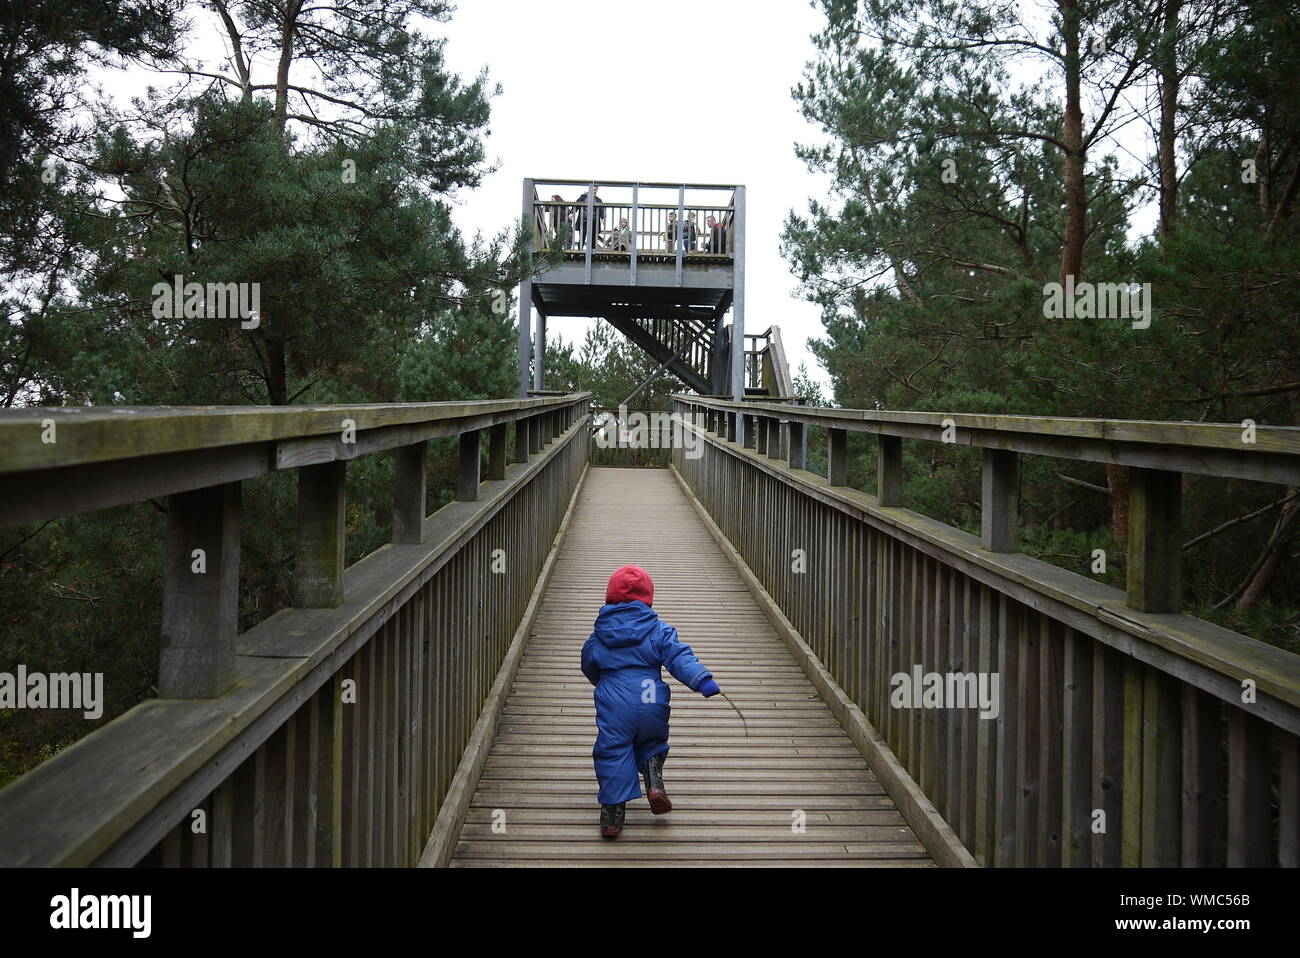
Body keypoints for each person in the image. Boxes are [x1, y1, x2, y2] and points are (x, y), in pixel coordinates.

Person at [581, 564, 720, 838]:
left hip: (615, 700)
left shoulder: (599, 635)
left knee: (613, 750)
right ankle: (654, 779)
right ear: (647, 598)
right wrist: (702, 679)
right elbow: (679, 657)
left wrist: (603, 682)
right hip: (651, 697)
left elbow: (588, 664)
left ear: (609, 598)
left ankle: (613, 814)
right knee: (652, 741)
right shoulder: (658, 630)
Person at [573, 184, 604, 249]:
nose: (594, 191)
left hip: (594, 221)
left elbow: (601, 211)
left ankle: (592, 252)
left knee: (593, 238)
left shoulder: (598, 200)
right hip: (583, 220)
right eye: (593, 189)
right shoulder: (583, 197)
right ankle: (580, 251)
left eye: (595, 190)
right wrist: (572, 213)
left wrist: (603, 218)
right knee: (582, 237)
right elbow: (576, 205)